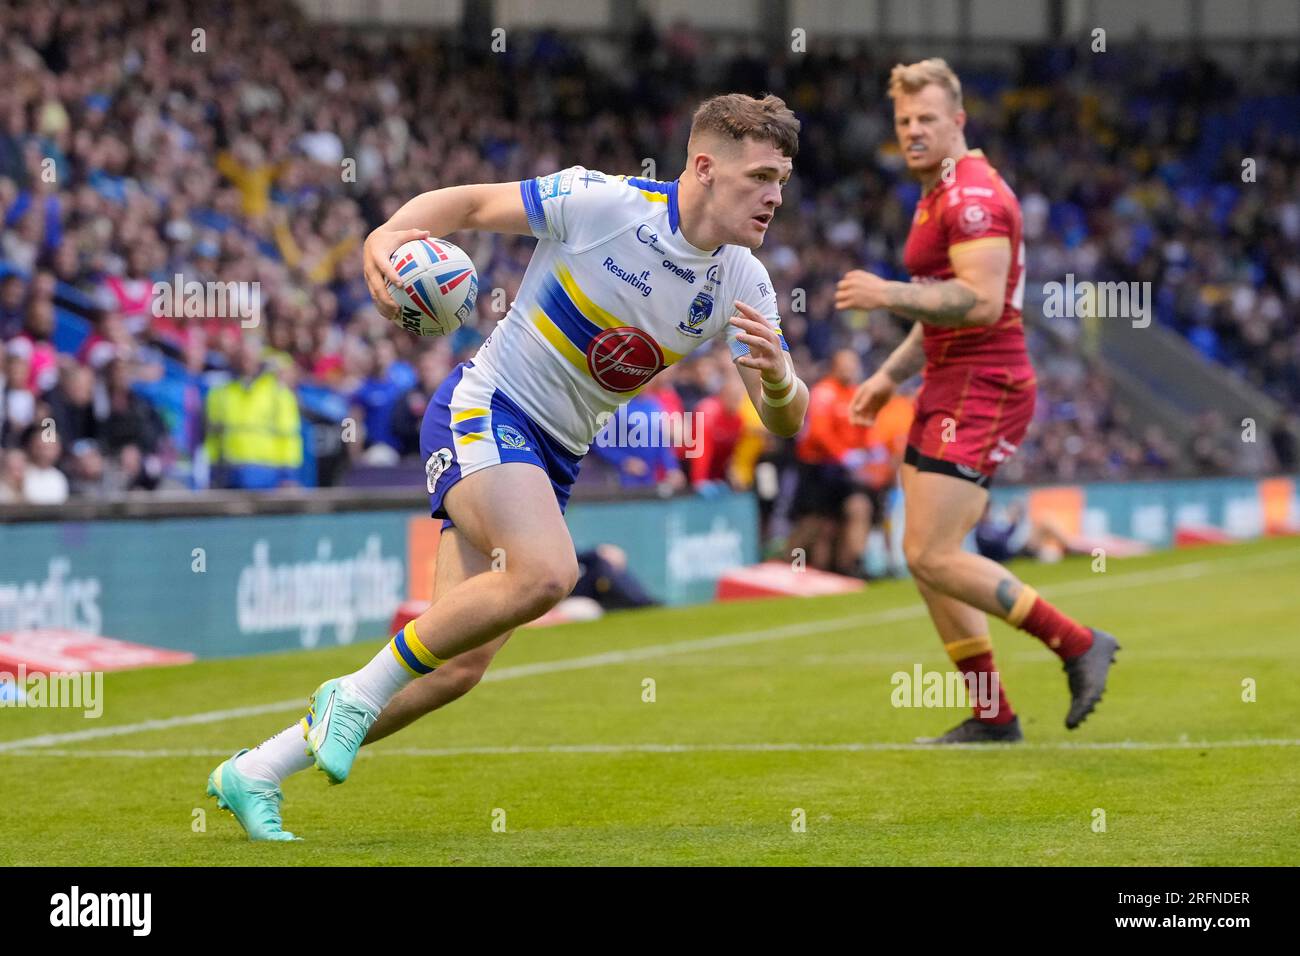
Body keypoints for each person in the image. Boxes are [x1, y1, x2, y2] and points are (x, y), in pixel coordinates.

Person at [208, 93, 810, 840]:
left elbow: (783, 420)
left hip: (553, 457)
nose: (776, 196)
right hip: (487, 410)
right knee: (548, 573)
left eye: (783, 179)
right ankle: (352, 696)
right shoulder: (602, 203)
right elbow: (466, 203)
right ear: (704, 167)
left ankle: (256, 770)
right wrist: (389, 232)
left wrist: (781, 379)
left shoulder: (742, 282)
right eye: (761, 177)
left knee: (455, 668)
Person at [835, 59, 1119, 745]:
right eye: (904, 121)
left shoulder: (973, 198)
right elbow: (940, 308)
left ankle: (1077, 643)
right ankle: (992, 716)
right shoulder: (936, 192)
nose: (912, 131)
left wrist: (884, 293)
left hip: (985, 386)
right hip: (945, 381)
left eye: (927, 119)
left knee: (932, 554)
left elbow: (981, 301)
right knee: (926, 555)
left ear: (958, 121)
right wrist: (891, 375)